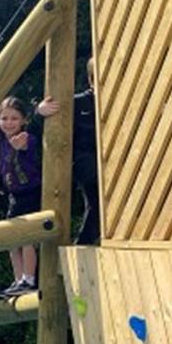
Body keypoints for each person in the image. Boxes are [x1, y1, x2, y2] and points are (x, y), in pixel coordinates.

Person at [0, 95, 58, 297]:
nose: (9, 123)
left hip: (30, 194)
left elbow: (25, 143)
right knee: (11, 239)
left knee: (26, 236)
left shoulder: (26, 138)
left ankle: (29, 279)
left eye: (14, 118)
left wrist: (38, 111)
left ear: (23, 120)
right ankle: (19, 280)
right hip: (14, 196)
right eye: (4, 118)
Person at [72, 57, 100, 245]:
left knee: (98, 206)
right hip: (85, 159)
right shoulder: (78, 102)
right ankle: (83, 243)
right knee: (96, 202)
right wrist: (39, 111)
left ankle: (87, 242)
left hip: (109, 159)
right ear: (91, 79)